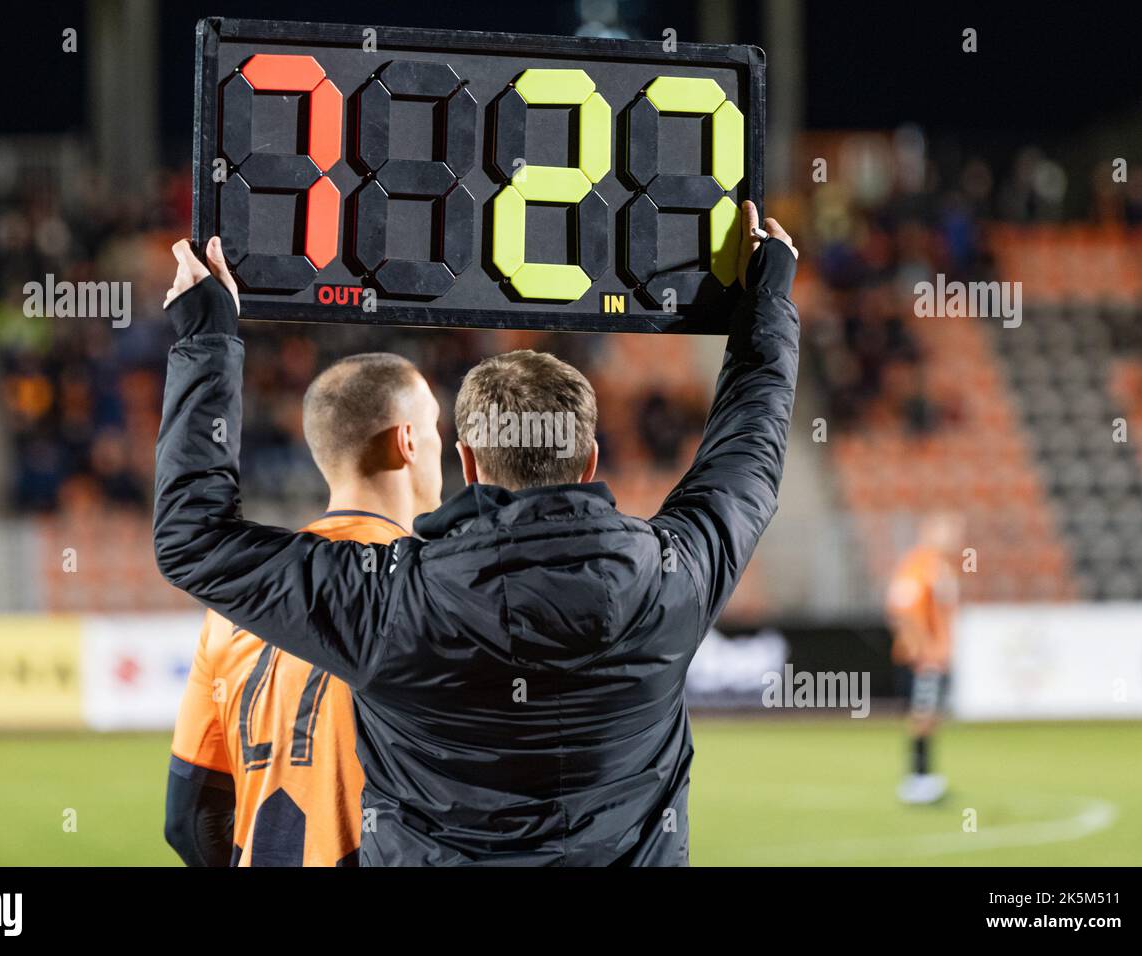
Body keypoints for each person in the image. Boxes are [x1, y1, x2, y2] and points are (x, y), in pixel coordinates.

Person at [154, 200, 799, 865]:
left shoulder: (394, 598)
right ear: (588, 459)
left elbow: (191, 539)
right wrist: (768, 302)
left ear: (468, 461)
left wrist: (207, 333)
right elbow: (749, 455)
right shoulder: (672, 576)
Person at [164, 352, 443, 865]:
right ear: (408, 441)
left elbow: (189, 817)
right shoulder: (431, 594)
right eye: (434, 427)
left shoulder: (232, 605)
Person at [886, 512, 964, 805]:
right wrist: (924, 649)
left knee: (930, 717)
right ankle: (917, 780)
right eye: (948, 530)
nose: (955, 538)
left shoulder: (941, 567)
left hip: (936, 657)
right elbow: (903, 608)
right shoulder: (919, 565)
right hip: (923, 659)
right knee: (922, 717)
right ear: (929, 531)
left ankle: (925, 778)